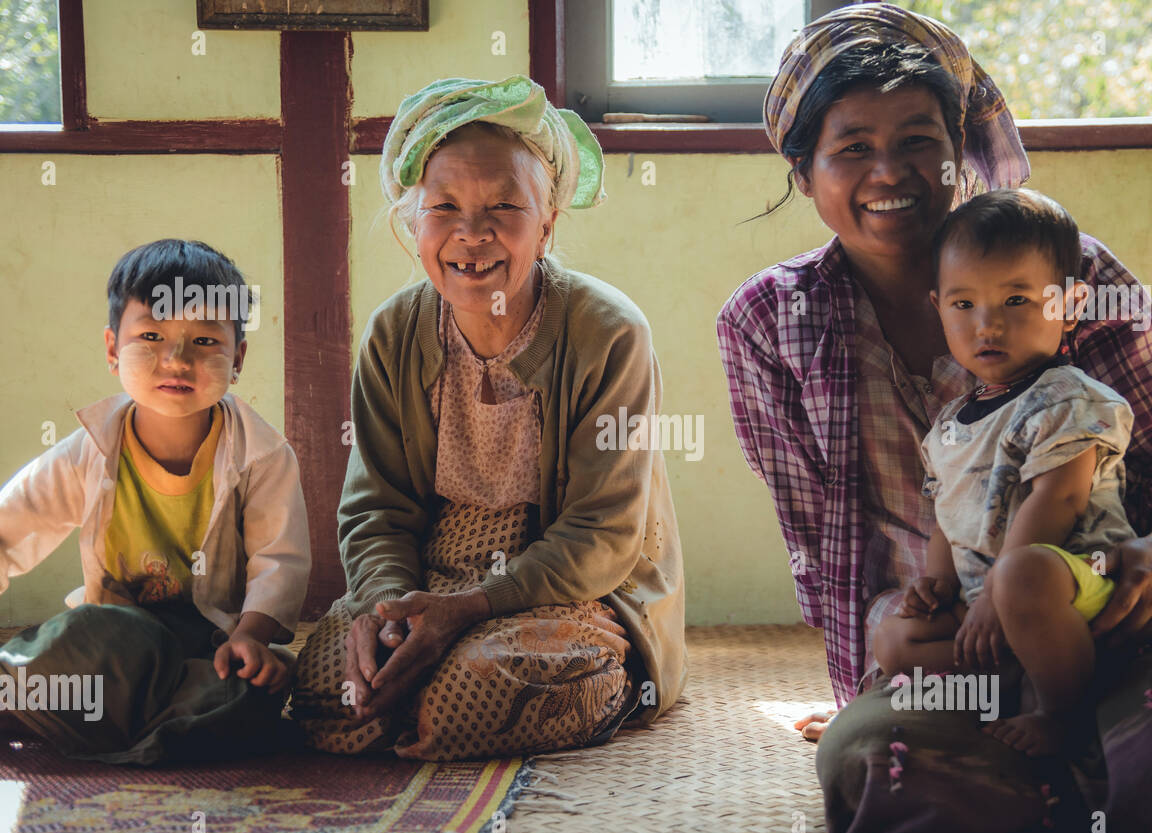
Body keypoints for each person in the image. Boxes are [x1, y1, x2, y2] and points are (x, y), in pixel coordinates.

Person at [717, 3, 1152, 833]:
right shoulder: (768, 323)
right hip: (965, 643)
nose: (891, 172)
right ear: (804, 172)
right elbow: (825, 552)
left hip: (1141, 611)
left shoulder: (1076, 275)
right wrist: (885, 630)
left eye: (918, 139)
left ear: (958, 148)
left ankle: (1113, 784)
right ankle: (1104, 793)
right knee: (883, 770)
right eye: (852, 148)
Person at [289, 76, 686, 760]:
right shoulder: (394, 333)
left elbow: (603, 532)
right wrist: (387, 611)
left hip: (567, 586)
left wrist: (471, 610)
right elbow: (376, 508)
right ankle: (418, 662)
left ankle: (603, 675)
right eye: (444, 206)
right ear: (415, 223)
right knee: (334, 691)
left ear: (548, 223)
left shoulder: (607, 333)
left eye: (504, 205)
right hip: (430, 574)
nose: (472, 234)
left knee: (470, 693)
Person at [0, 239, 311, 764]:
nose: (176, 359)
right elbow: (10, 525)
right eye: (150, 336)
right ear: (111, 349)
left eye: (204, 340)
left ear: (238, 357)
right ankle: (149, 737)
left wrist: (252, 638)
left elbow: (279, 561)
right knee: (84, 636)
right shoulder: (91, 449)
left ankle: (94, 727)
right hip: (118, 649)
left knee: (257, 687)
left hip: (206, 656)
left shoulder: (261, 455)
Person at [879, 187, 1137, 758]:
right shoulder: (951, 421)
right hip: (986, 601)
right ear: (938, 306)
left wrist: (998, 593)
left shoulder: (1067, 397)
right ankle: (1017, 673)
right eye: (963, 304)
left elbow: (1062, 500)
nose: (987, 324)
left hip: (1074, 583)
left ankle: (1061, 714)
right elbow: (947, 513)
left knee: (1022, 575)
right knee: (894, 639)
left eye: (1016, 300)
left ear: (1070, 305)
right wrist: (937, 583)